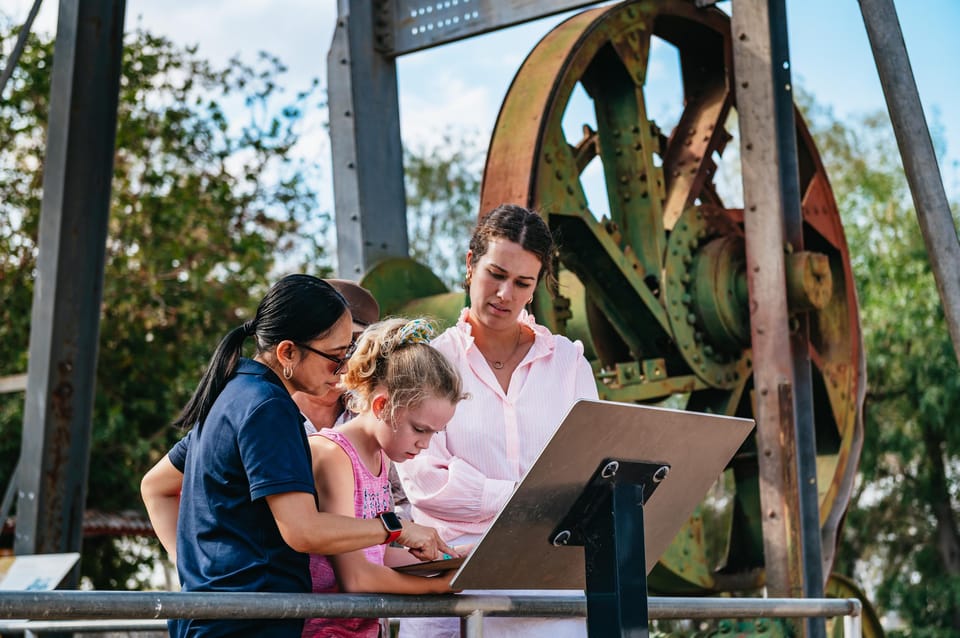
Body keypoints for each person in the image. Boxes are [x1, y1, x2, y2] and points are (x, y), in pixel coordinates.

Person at [140, 274, 453, 638]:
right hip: (248, 624)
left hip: (220, 616)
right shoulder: (268, 408)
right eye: (334, 357)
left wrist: (198, 574)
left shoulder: (234, 392)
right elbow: (302, 530)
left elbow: (156, 485)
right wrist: (394, 529)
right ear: (288, 352)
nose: (342, 371)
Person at [395, 204, 599, 638]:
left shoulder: (569, 363)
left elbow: (587, 473)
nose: (505, 293)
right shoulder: (432, 362)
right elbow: (426, 484)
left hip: (548, 593)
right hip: (448, 589)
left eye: (522, 283)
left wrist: (493, 496)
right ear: (470, 265)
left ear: (536, 288)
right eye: (495, 274)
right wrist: (530, 500)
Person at [303, 317, 468, 638]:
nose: (425, 443)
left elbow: (375, 554)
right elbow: (357, 578)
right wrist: (435, 586)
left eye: (435, 433)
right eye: (419, 429)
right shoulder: (335, 456)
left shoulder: (378, 456)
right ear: (382, 405)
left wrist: (451, 557)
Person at [294, 279, 380, 433]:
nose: (344, 361)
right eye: (334, 349)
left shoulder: (373, 413)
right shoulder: (272, 407)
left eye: (355, 345)